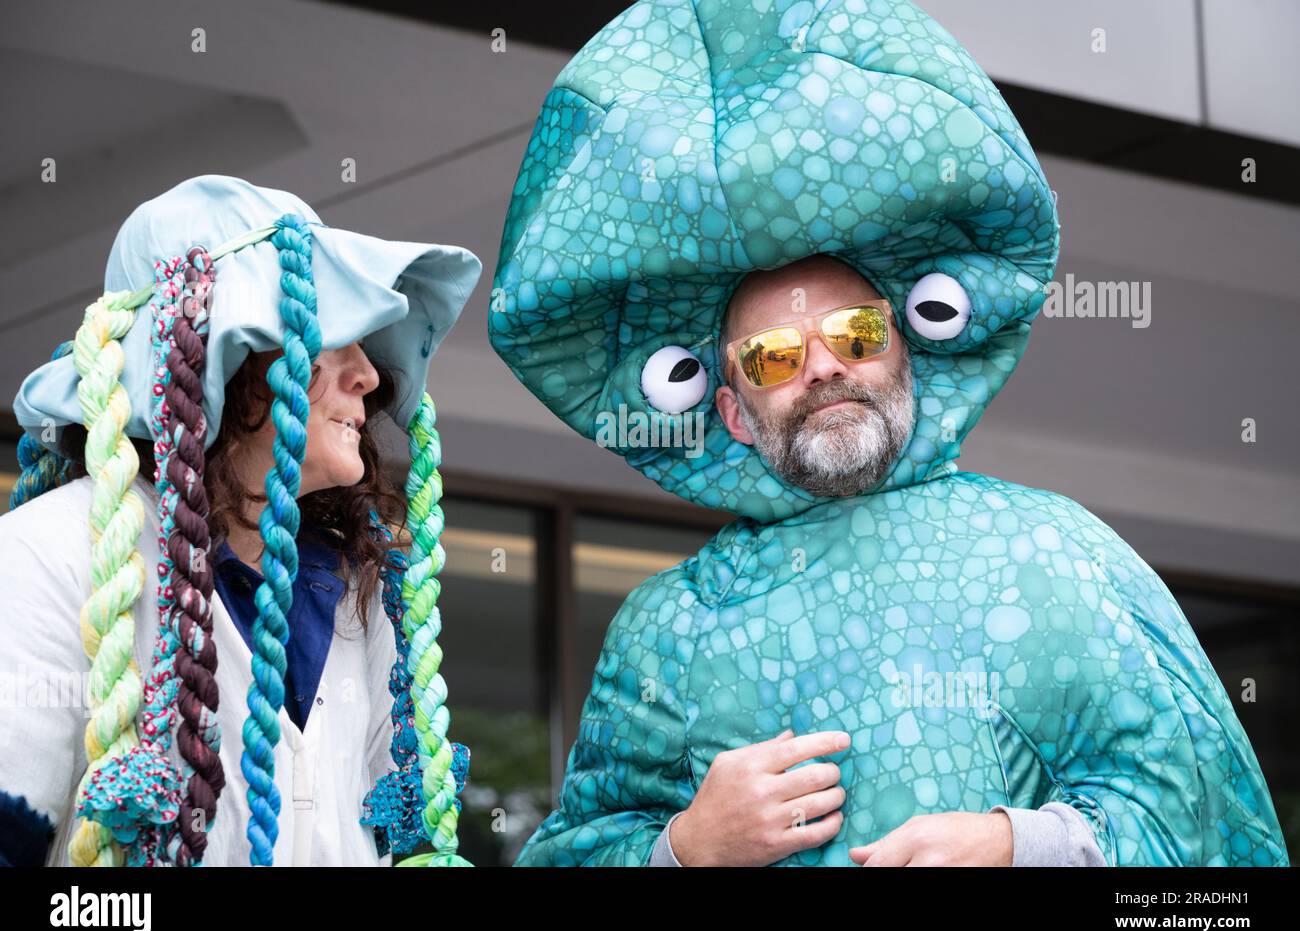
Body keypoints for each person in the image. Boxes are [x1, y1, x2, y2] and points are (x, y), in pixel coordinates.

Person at [490, 0, 1290, 866]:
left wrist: (1017, 845)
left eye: (857, 335)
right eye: (772, 357)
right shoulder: (666, 629)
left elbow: (1208, 845)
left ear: (905, 351)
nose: (825, 367)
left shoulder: (1054, 553)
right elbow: (571, 853)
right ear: (730, 413)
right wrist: (685, 845)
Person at [0, 174, 481, 867]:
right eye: (331, 334)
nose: (369, 375)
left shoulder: (362, 592)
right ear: (219, 353)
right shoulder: (43, 555)